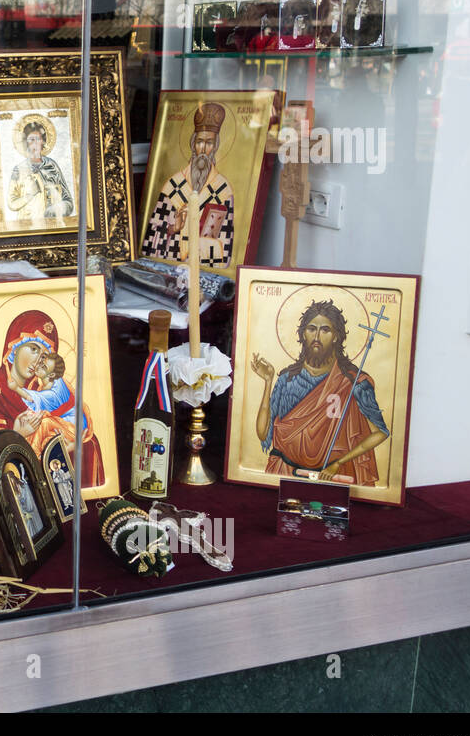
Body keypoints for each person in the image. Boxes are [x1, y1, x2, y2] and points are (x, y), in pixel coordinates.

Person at [251, 299, 390, 484]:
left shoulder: (353, 381)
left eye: (325, 329)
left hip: (333, 476)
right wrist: (268, 382)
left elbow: (381, 432)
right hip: (287, 472)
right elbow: (263, 433)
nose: (317, 336)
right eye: (311, 329)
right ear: (303, 334)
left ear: (335, 336)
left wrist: (339, 462)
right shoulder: (288, 378)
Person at [0, 310, 103, 490]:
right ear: (14, 346)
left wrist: (72, 446)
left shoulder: (43, 389)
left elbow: (81, 437)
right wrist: (17, 434)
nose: (37, 360)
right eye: (33, 349)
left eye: (44, 355)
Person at [141, 101, 235, 269]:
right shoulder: (173, 185)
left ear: (216, 146)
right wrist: (172, 228)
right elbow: (151, 239)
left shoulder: (223, 190)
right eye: (200, 142)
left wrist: (202, 245)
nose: (204, 148)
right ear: (193, 144)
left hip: (203, 272)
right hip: (170, 269)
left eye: (209, 143)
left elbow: (225, 245)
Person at [6, 120, 74, 222]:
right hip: (28, 226)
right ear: (26, 143)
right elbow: (11, 203)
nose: (35, 144)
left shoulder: (52, 165)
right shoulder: (19, 169)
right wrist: (29, 196)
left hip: (52, 225)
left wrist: (56, 209)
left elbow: (67, 200)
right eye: (31, 140)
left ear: (43, 142)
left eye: (38, 139)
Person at [2, 462, 44, 537]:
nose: (11, 482)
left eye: (12, 479)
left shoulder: (21, 488)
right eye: (9, 481)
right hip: (20, 517)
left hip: (27, 515)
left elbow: (28, 505)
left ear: (14, 477)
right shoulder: (7, 493)